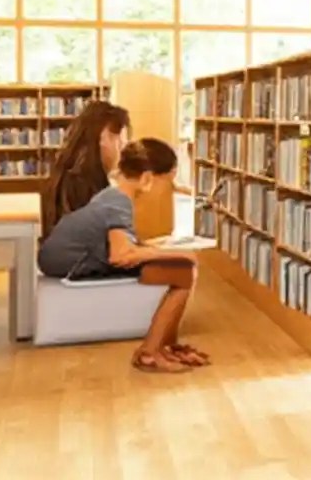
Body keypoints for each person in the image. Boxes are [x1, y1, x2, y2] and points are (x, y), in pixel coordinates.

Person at [37, 139, 209, 374]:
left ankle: (166, 345)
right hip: (73, 263)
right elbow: (122, 255)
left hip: (61, 257)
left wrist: (158, 248)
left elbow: (122, 242)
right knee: (182, 271)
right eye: (166, 182)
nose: (166, 190)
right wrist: (179, 253)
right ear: (148, 178)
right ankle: (150, 352)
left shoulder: (112, 194)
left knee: (177, 265)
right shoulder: (119, 202)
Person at [40, 100, 132, 242]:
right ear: (95, 139)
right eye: (117, 139)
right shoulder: (81, 183)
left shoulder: (69, 173)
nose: (120, 149)